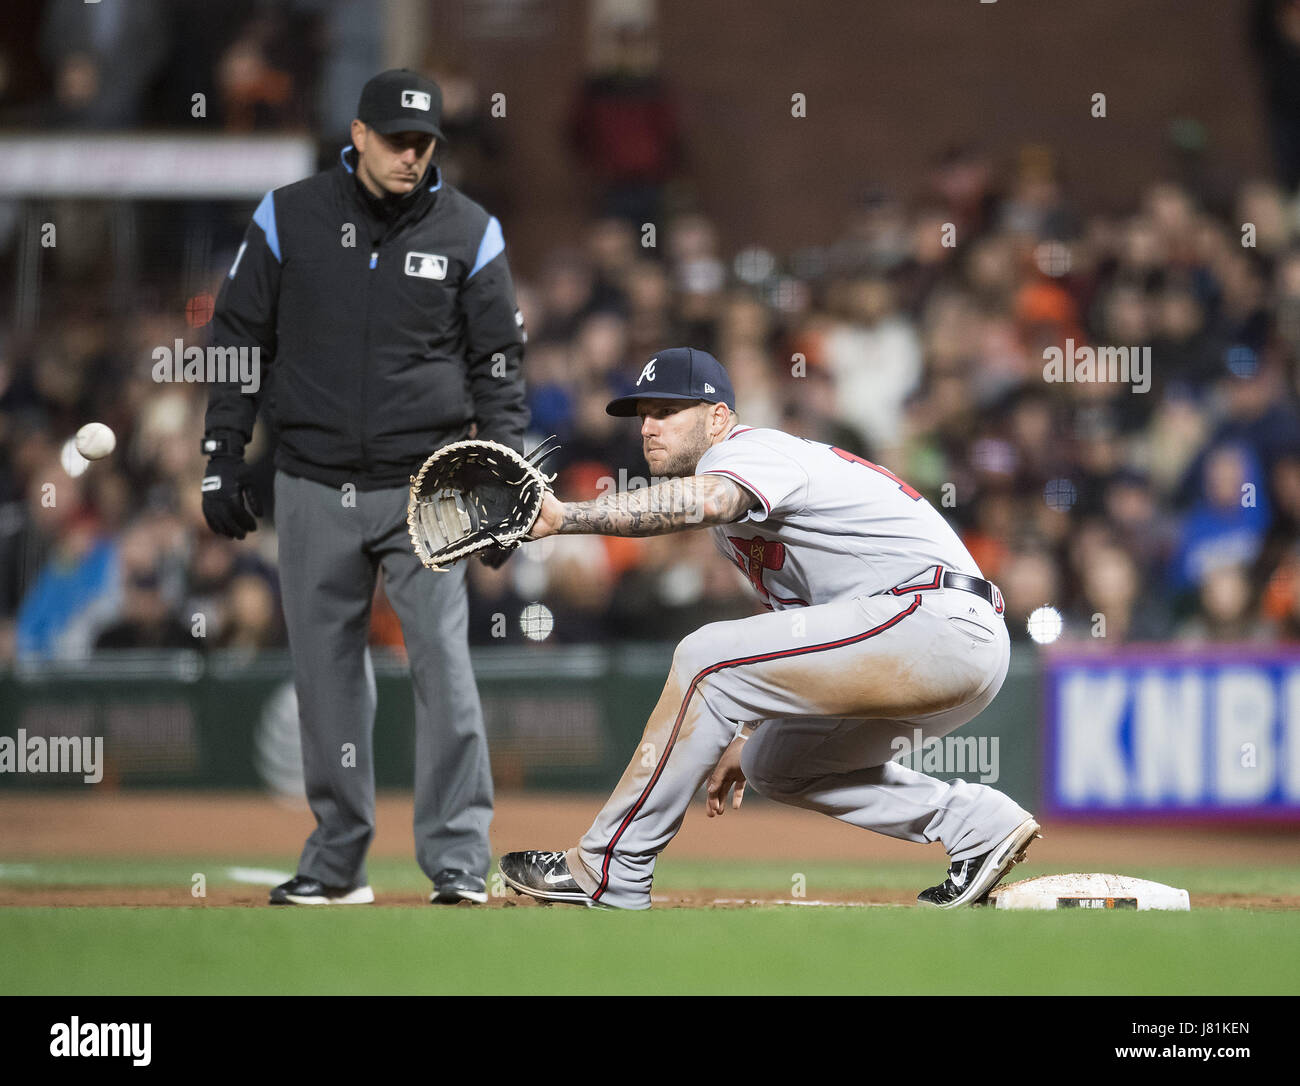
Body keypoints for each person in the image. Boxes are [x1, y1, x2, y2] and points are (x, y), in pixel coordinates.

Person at [499, 348, 1038, 910]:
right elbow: (798, 628)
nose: (649, 427)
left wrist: (564, 517)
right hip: (937, 639)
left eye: (667, 410)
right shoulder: (738, 515)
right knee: (777, 765)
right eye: (643, 415)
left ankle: (609, 867)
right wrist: (751, 727)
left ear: (717, 417)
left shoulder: (752, 451)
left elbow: (703, 500)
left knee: (703, 657)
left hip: (930, 619)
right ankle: (978, 824)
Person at [202, 70, 527, 906]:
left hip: (431, 487)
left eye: (424, 143)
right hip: (310, 479)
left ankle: (457, 859)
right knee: (326, 674)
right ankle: (337, 861)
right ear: (357, 134)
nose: (411, 155)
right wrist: (221, 450)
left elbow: (499, 368)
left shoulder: (471, 231)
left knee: (444, 667)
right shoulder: (288, 215)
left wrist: (502, 479)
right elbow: (239, 338)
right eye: (395, 139)